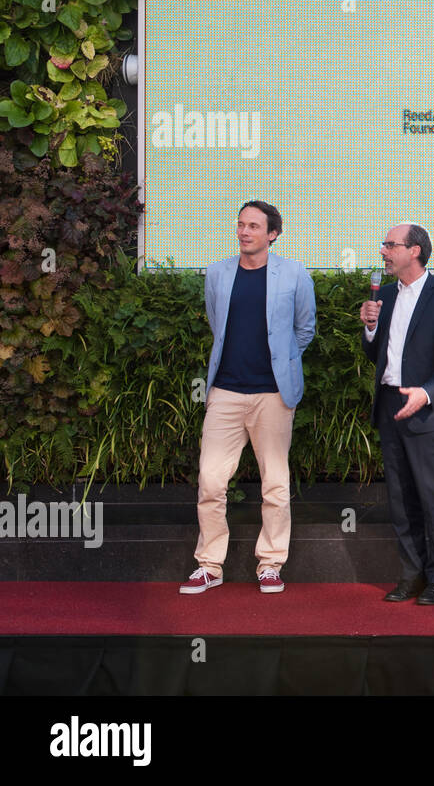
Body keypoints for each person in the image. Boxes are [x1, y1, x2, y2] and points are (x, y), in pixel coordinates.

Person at [180, 201, 316, 595]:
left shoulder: (293, 273)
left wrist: (283, 364)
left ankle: (271, 564)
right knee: (210, 480)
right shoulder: (218, 273)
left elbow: (303, 330)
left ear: (272, 233)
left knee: (275, 484)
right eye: (240, 224)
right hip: (224, 391)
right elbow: (215, 323)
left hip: (273, 394)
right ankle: (209, 565)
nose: (244, 232)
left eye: (253, 226)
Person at [360, 223, 434, 605]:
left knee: (433, 499)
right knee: (401, 499)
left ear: (415, 251)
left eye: (391, 245)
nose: (383, 251)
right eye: (383, 244)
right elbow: (376, 355)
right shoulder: (384, 295)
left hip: (426, 411)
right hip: (389, 405)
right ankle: (412, 576)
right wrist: (370, 327)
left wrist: (424, 393)